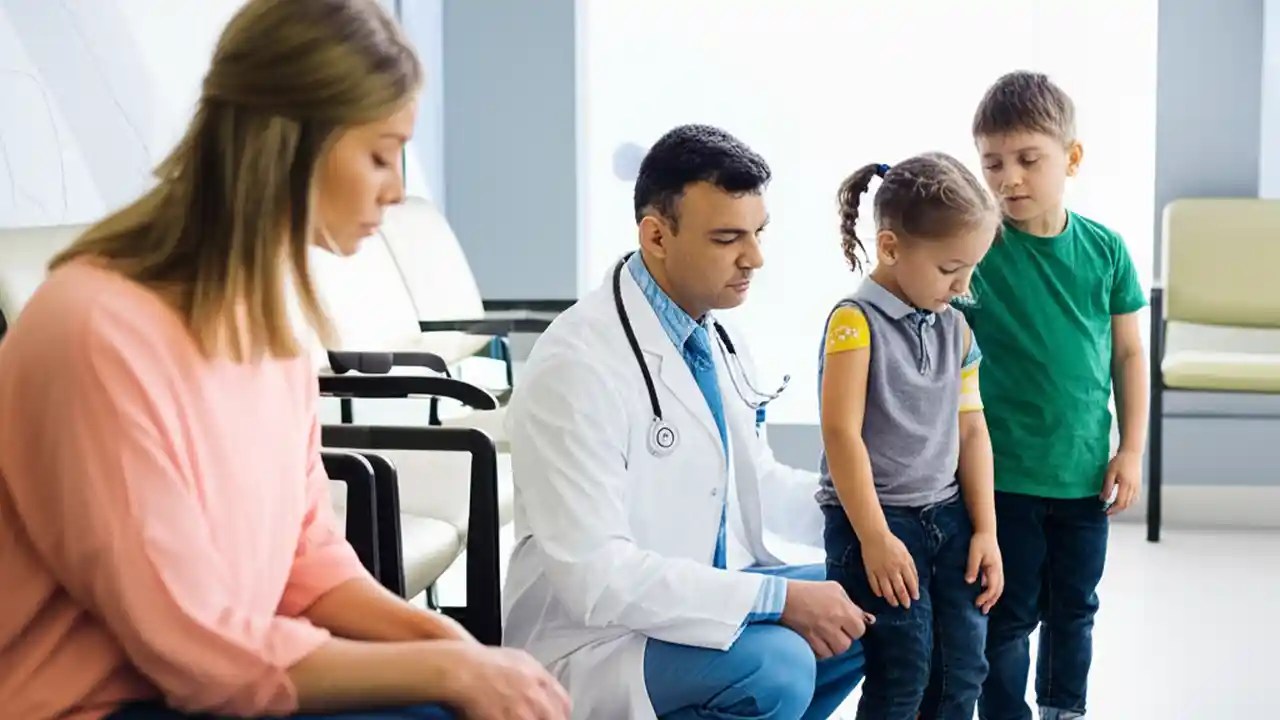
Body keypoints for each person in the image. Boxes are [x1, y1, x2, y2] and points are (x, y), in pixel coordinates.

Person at [0, 2, 570, 719]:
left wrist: (454, 646)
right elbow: (197, 647)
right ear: (291, 141)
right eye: (378, 153)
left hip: (199, 680)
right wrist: (443, 674)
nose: (396, 191)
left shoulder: (268, 330)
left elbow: (309, 560)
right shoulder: (92, 330)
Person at [501, 124, 869, 720]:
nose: (754, 258)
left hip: (693, 603)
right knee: (777, 666)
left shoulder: (711, 332)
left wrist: (879, 517)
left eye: (757, 233)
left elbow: (757, 485)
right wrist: (778, 599)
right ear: (656, 236)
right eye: (728, 239)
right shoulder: (576, 366)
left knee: (879, 596)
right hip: (598, 641)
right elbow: (596, 576)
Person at [961, 71, 1149, 720]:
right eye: (993, 163)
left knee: (1075, 608)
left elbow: (1128, 354)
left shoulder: (1106, 251)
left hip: (1082, 476)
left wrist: (1130, 450)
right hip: (1004, 477)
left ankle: (1064, 708)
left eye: (1027, 160)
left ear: (1070, 158)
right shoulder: (977, 251)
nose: (1008, 178)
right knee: (1006, 615)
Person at [816, 155, 1004, 720]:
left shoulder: (956, 327)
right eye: (951, 268)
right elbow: (840, 433)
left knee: (962, 671)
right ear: (892, 248)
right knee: (903, 672)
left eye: (971, 268)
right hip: (877, 520)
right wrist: (873, 537)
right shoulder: (854, 323)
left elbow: (973, 428)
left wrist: (987, 531)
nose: (964, 285)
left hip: (946, 515)